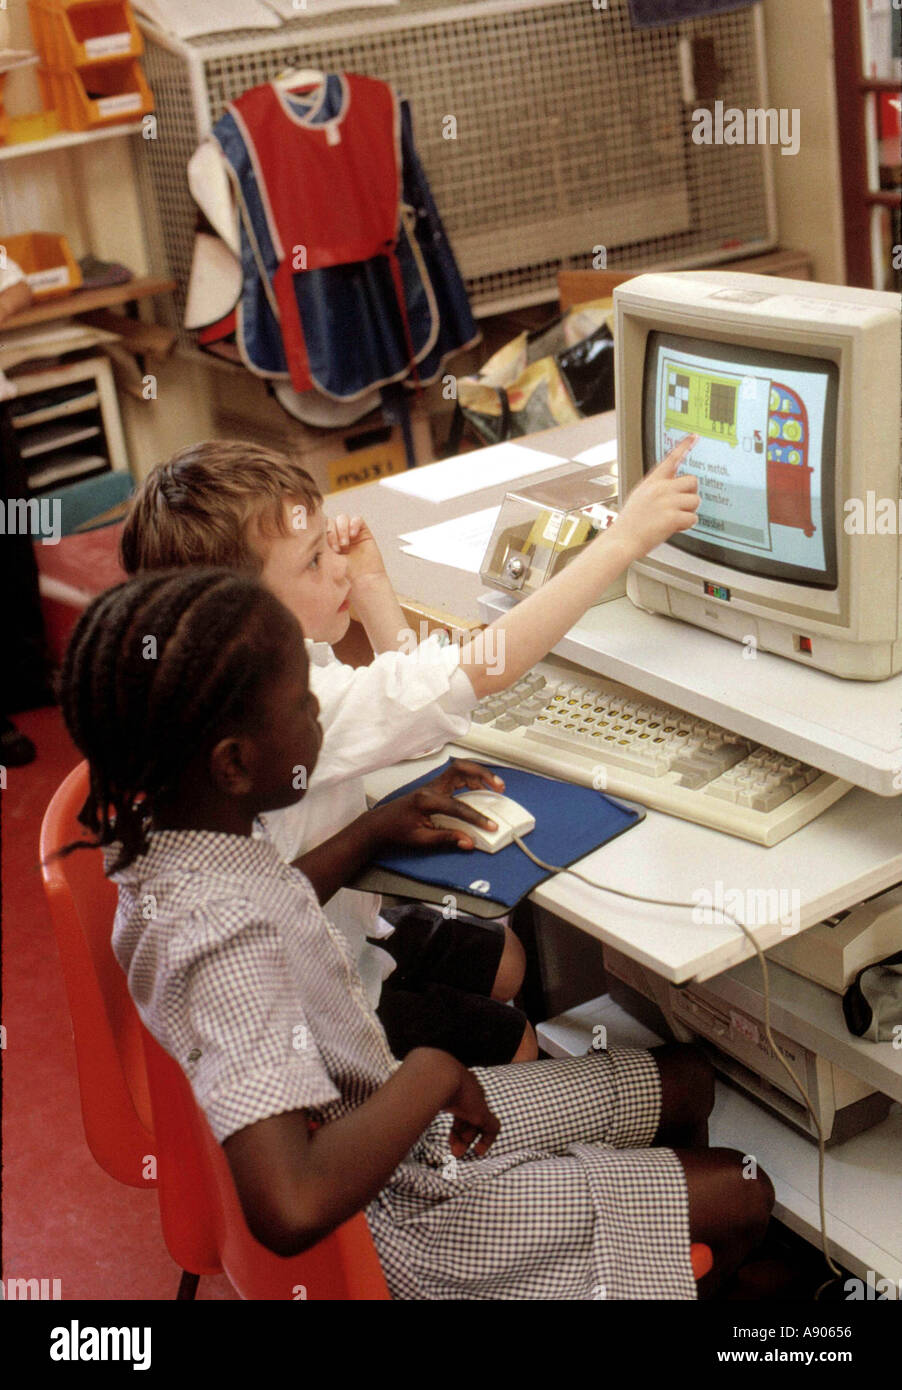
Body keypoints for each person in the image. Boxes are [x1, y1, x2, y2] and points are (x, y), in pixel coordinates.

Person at [57, 567, 775, 1299]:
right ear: (234, 764)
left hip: (395, 1128)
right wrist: (432, 1073)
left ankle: (627, 1245)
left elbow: (271, 914)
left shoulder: (174, 849)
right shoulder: (221, 946)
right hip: (407, 1223)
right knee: (745, 1195)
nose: (317, 710)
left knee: (685, 1082)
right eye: (304, 701)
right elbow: (290, 1204)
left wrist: (371, 830)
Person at [119, 432, 701, 1069]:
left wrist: (366, 590)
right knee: (515, 1039)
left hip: (334, 933)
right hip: (311, 1010)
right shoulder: (282, 709)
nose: (336, 563)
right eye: (313, 561)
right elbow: (481, 672)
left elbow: (415, 709)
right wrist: (622, 540)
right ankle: (501, 1135)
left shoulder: (236, 663)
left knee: (505, 960)